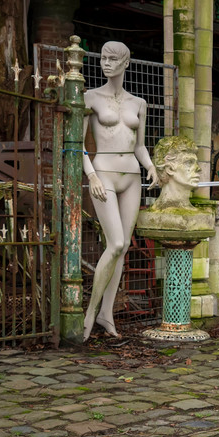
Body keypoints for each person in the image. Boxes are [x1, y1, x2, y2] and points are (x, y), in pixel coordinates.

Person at [82, 41, 159, 341]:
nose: (106, 63)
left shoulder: (138, 103)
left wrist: (150, 165)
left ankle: (106, 313)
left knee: (124, 247)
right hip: (104, 175)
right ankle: (89, 313)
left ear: (126, 63)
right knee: (114, 244)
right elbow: (77, 145)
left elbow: (139, 146)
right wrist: (91, 176)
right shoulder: (90, 97)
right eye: (103, 58)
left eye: (113, 59)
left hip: (131, 177)